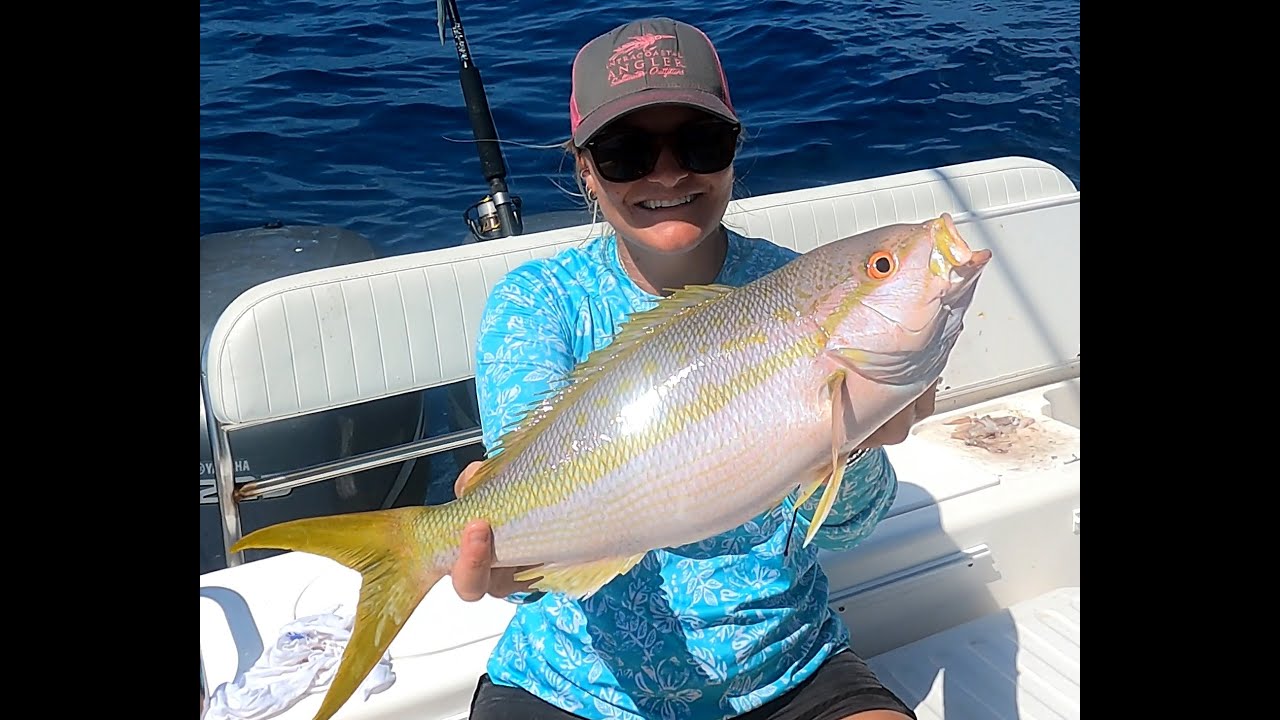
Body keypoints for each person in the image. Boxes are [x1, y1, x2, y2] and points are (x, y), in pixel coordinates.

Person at [449, 17, 933, 720]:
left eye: (702, 143)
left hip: (788, 667)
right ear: (583, 168)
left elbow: (846, 530)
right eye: (624, 152)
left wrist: (856, 442)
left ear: (735, 152)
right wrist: (499, 561)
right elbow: (539, 548)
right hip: (575, 686)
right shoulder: (538, 305)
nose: (669, 172)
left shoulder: (795, 286)